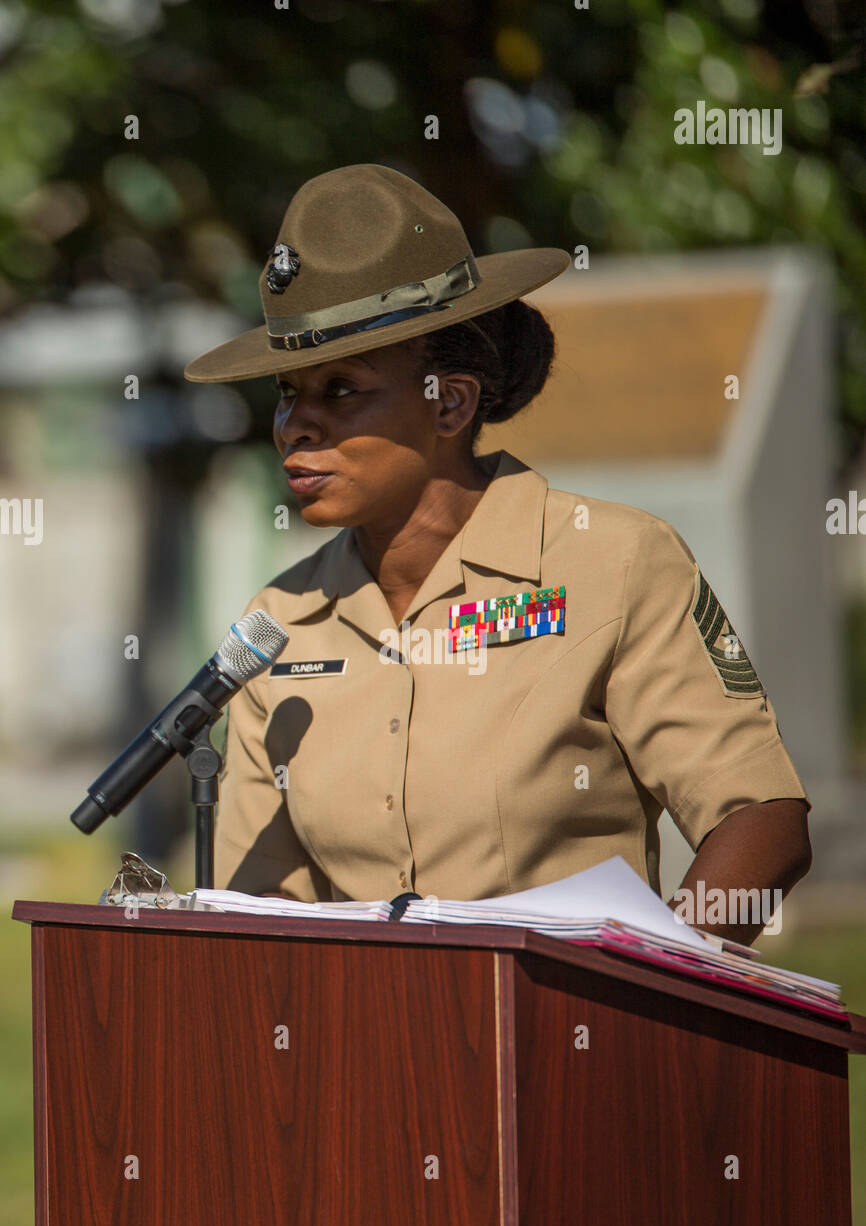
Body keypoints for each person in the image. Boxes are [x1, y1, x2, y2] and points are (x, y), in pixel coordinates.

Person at [184, 163, 811, 946]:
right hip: (365, 1054)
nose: (296, 427)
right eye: (287, 393)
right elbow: (267, 913)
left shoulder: (613, 563)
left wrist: (657, 987)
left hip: (574, 1046)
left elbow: (763, 820)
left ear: (449, 402)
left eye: (340, 390)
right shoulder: (280, 626)